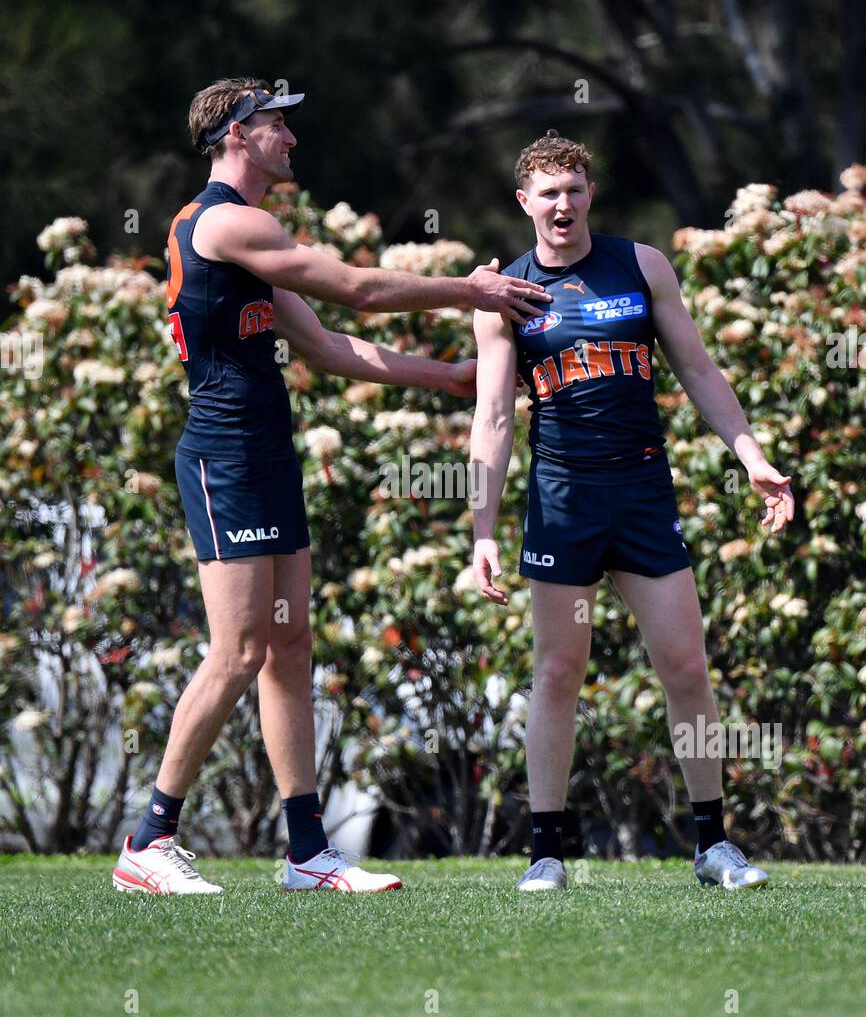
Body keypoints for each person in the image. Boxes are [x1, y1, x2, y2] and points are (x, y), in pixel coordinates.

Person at [112, 76, 548, 896]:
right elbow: (360, 289)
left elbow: (331, 348)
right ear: (237, 135)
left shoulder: (242, 236)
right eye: (278, 124)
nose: (292, 138)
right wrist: (473, 290)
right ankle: (149, 841)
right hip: (225, 459)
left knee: (287, 650)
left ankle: (308, 852)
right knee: (239, 651)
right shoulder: (230, 222)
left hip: (266, 454)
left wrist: (448, 377)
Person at [469, 131, 795, 892]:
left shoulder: (641, 265)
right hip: (562, 498)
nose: (563, 204)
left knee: (685, 665)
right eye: (548, 192)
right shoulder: (506, 293)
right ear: (525, 203)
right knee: (557, 671)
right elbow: (491, 417)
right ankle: (546, 853)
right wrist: (481, 532)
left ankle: (714, 846)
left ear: (590, 195)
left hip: (643, 493)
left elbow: (698, 369)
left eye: (575, 189)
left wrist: (752, 456)